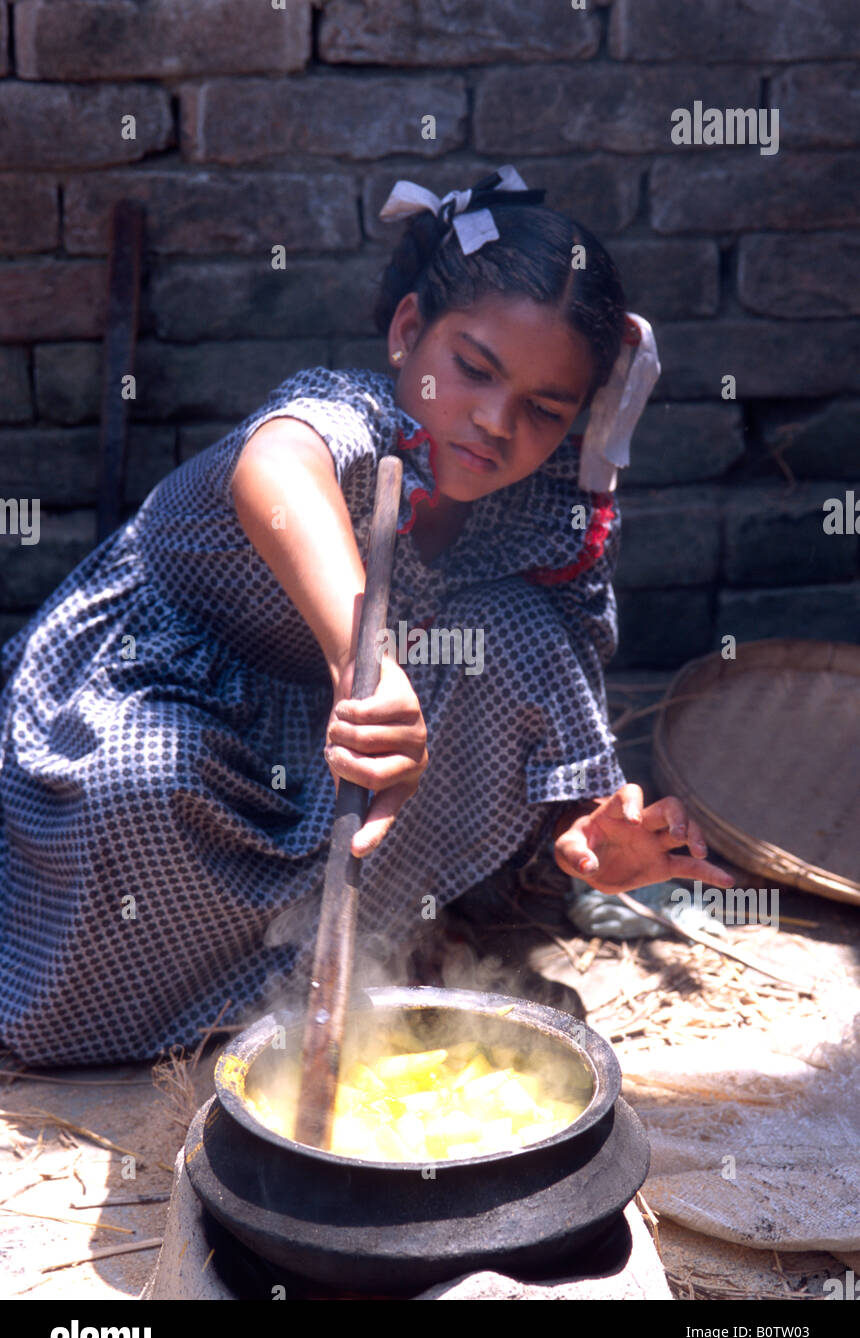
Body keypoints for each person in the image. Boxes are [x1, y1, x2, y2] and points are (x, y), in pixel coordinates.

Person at [0, 167, 732, 1067]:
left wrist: (580, 833)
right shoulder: (348, 416)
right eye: (472, 369)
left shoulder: (543, 510)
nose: (497, 422)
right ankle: (132, 1014)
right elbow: (276, 464)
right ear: (408, 332)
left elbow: (551, 673)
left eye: (545, 410)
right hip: (167, 701)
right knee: (141, 781)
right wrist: (366, 661)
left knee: (517, 633)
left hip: (357, 753)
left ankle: (341, 975)